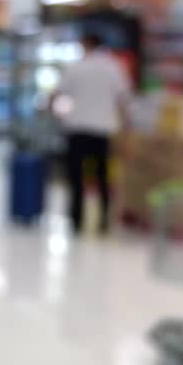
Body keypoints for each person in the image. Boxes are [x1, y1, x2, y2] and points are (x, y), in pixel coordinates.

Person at [53, 33, 132, 235]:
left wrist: (60, 117)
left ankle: (76, 220)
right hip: (103, 130)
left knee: (76, 177)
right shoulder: (114, 67)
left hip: (77, 129)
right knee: (102, 177)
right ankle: (104, 221)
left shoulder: (76, 67)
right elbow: (122, 102)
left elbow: (58, 96)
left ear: (85, 45)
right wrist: (125, 132)